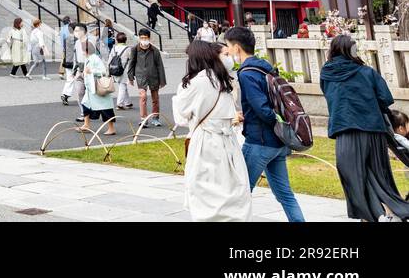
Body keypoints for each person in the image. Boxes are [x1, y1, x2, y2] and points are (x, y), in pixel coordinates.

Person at [321, 34, 409, 221]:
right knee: (377, 173)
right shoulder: (367, 72)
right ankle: (384, 212)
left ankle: (376, 214)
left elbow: (330, 98)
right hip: (372, 129)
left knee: (352, 173)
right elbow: (385, 98)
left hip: (345, 130)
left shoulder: (326, 75)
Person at [224, 26, 305, 222]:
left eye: (228, 47)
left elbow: (262, 108)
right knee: (285, 195)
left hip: (260, 141)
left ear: (237, 48)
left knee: (241, 192)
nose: (228, 52)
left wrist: (267, 120)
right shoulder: (265, 67)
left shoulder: (246, 73)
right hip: (278, 143)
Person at [173, 39, 251, 221]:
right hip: (228, 142)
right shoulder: (222, 79)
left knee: (205, 193)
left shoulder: (195, 83)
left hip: (205, 142)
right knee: (232, 190)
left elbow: (181, 117)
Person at [125, 28, 166, 128]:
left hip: (153, 76)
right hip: (141, 76)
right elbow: (132, 63)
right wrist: (130, 77)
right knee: (143, 96)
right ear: (139, 38)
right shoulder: (135, 49)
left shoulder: (154, 50)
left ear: (149, 38)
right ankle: (143, 119)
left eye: (145, 38)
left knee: (155, 98)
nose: (144, 39)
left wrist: (162, 80)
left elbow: (160, 65)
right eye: (142, 38)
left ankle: (155, 118)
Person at [78, 39, 117, 135]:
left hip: (98, 88)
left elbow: (103, 71)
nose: (81, 52)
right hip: (91, 89)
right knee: (85, 104)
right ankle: (86, 124)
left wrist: (91, 71)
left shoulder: (95, 58)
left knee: (105, 108)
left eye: (82, 50)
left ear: (86, 50)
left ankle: (111, 128)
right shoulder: (88, 58)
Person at [110, 32, 133, 109]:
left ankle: (128, 103)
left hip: (114, 68)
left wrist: (108, 71)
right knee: (123, 85)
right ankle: (119, 103)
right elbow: (132, 60)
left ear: (117, 40)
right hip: (124, 70)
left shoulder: (113, 48)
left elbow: (110, 59)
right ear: (125, 40)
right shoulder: (128, 49)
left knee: (122, 85)